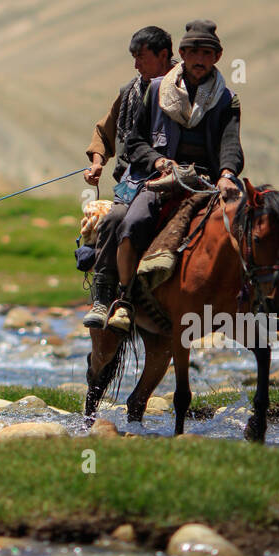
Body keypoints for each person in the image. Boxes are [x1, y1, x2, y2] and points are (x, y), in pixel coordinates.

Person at [105, 18, 243, 333]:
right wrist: (157, 162)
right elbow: (135, 141)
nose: (199, 59)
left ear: (217, 57)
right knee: (131, 222)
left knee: (247, 231)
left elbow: (231, 145)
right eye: (193, 51)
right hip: (161, 180)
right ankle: (124, 300)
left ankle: (251, 299)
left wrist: (226, 173)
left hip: (207, 182)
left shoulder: (227, 101)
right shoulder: (155, 91)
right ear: (182, 52)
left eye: (206, 53)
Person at [82, 26, 173, 329]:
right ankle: (105, 298)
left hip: (180, 179)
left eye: (141, 58)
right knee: (112, 220)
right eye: (133, 58)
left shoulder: (184, 89)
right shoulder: (130, 92)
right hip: (133, 182)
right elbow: (104, 134)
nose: (136, 66)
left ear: (164, 56)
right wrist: (97, 162)